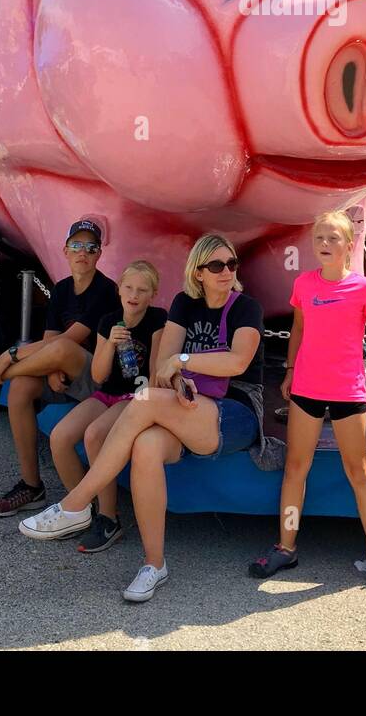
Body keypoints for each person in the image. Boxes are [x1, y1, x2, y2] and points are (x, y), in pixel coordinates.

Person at [20, 233, 267, 604]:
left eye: (231, 264)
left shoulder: (246, 307)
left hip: (235, 412)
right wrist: (180, 379)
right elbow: (164, 366)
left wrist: (184, 363)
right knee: (146, 445)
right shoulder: (185, 304)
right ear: (198, 272)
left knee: (145, 399)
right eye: (216, 265)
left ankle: (76, 503)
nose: (226, 271)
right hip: (189, 405)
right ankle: (154, 565)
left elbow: (236, 361)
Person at [249, 211, 366, 593]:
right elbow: (298, 328)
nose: (325, 245)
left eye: (333, 238)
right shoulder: (303, 284)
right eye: (319, 238)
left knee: (359, 471)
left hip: (348, 391)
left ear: (350, 246)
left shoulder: (363, 288)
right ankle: (286, 546)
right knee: (296, 468)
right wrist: (290, 370)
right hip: (307, 391)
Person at [0, 219, 120, 516]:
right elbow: (49, 340)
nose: (82, 253)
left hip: (98, 380)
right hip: (64, 374)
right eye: (76, 245)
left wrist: (9, 355)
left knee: (63, 347)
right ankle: (31, 486)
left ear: (99, 254)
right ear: (65, 251)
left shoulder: (105, 289)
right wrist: (49, 369)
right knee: (21, 387)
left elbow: (70, 340)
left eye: (90, 247)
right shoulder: (61, 289)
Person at [48, 261, 167, 553]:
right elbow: (99, 376)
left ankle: (109, 517)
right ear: (120, 290)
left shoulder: (158, 320)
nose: (134, 295)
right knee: (60, 437)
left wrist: (145, 405)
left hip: (136, 395)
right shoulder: (109, 321)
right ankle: (81, 511)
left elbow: (154, 374)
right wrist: (110, 343)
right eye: (128, 287)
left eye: (142, 290)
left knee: (94, 434)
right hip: (108, 394)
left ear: (153, 294)